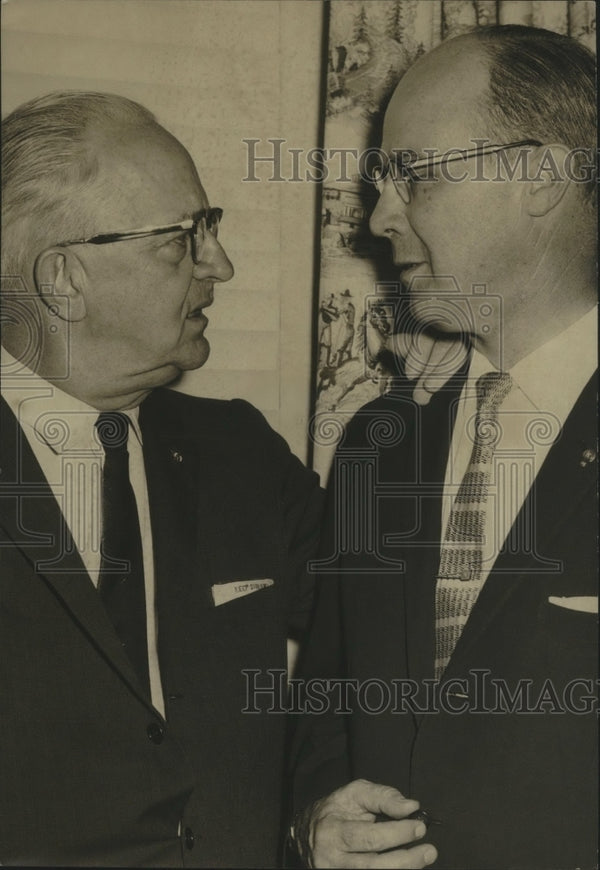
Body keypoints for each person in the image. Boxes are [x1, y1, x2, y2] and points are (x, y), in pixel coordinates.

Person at [0, 90, 463, 868]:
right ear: (64, 278)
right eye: (181, 240)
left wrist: (458, 402)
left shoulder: (238, 453)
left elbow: (381, 617)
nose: (222, 265)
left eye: (209, 230)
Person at [291, 25, 597, 870]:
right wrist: (314, 822)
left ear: (540, 178)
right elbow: (322, 710)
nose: (380, 218)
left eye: (414, 178)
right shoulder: (376, 447)